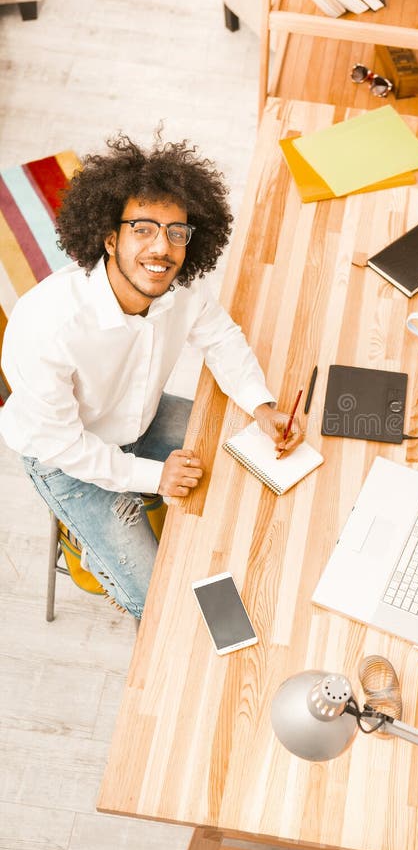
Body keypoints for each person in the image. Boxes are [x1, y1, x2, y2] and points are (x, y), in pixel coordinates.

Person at [0, 133, 302, 618]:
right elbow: (63, 445)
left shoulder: (177, 287)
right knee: (160, 602)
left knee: (258, 460)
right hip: (67, 459)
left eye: (177, 232)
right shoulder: (49, 327)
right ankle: (90, 543)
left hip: (140, 421)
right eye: (143, 229)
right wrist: (156, 477)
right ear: (110, 236)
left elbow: (220, 337)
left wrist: (262, 406)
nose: (162, 248)